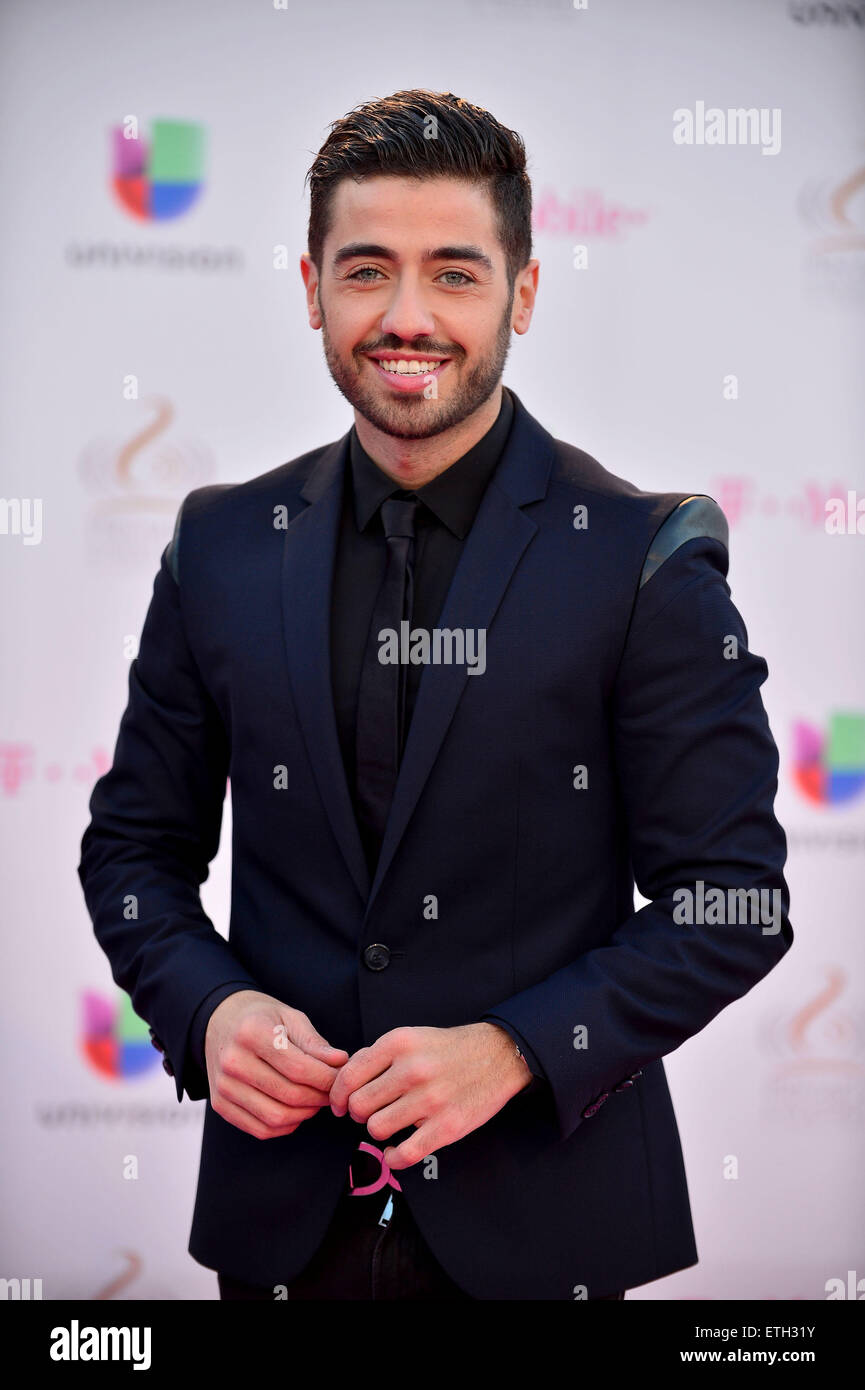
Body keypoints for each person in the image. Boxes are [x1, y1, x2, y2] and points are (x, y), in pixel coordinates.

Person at [77, 89, 793, 1302]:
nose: (406, 317)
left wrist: (520, 1048)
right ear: (311, 289)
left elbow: (731, 900)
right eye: (367, 270)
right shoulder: (220, 545)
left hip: (545, 1241)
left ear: (520, 294)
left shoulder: (642, 553)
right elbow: (133, 849)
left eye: (454, 273)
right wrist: (208, 1011)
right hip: (277, 1238)